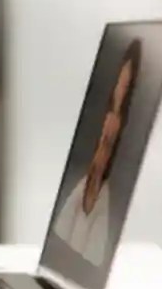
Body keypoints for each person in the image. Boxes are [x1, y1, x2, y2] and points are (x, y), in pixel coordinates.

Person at [53, 39, 143, 266]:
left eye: (120, 111)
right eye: (112, 106)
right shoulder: (79, 193)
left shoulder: (103, 212)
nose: (110, 122)